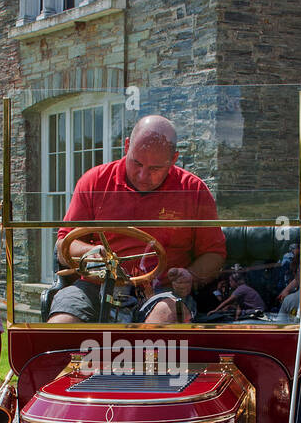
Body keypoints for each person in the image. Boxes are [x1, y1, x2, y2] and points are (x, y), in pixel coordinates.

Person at [48, 114, 226, 325]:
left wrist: (191, 275)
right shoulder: (95, 181)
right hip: (97, 286)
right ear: (126, 146)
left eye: (155, 169)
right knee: (61, 325)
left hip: (162, 290)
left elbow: (214, 254)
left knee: (164, 316)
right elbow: (63, 246)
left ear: (174, 159)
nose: (142, 175)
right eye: (137, 162)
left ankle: (142, 358)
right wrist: (92, 253)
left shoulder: (193, 190)